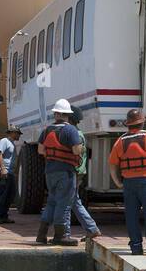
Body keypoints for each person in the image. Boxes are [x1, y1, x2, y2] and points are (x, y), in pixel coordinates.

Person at [109, 108, 146, 255]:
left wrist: (117, 182)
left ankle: (136, 247)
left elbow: (112, 164)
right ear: (142, 123)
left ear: (128, 124)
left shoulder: (120, 142)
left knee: (131, 215)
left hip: (129, 183)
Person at [35, 98, 84, 246]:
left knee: (51, 202)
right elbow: (76, 150)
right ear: (68, 115)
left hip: (50, 172)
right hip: (66, 172)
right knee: (64, 204)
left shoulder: (47, 130)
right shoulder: (70, 130)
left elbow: (40, 150)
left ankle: (41, 234)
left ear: (56, 114)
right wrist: (80, 148)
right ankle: (61, 236)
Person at [68, 115, 101, 240]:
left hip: (75, 171)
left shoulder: (75, 134)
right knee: (74, 201)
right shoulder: (80, 133)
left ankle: (91, 228)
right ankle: (91, 228)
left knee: (72, 201)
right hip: (79, 171)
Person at [0, 125, 21, 224]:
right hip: (3, 172)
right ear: (12, 133)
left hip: (9, 172)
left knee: (9, 195)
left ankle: (3, 215)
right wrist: (2, 169)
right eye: (18, 133)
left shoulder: (11, 143)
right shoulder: (4, 141)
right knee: (2, 194)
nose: (19, 135)